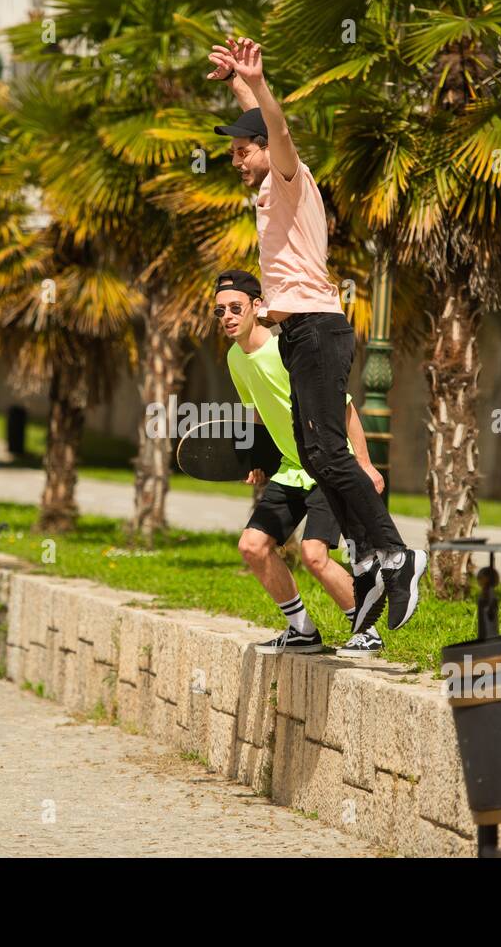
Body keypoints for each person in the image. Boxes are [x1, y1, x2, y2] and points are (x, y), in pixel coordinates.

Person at [208, 37, 427, 643]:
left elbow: (275, 125)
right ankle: (368, 555)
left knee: (328, 454)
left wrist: (261, 85)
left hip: (317, 329)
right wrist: (237, 82)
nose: (235, 159)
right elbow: (257, 117)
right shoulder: (266, 191)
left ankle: (394, 553)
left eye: (240, 149)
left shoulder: (288, 175)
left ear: (263, 149)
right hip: (303, 329)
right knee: (312, 456)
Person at [215, 270, 388, 656]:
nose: (227, 316)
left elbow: (343, 408)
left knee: (314, 554)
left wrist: (365, 463)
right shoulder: (234, 359)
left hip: (328, 463)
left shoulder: (286, 350)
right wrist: (260, 459)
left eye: (235, 307)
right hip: (292, 468)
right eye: (220, 311)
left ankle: (367, 630)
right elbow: (259, 413)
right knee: (253, 546)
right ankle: (302, 631)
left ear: (257, 307)